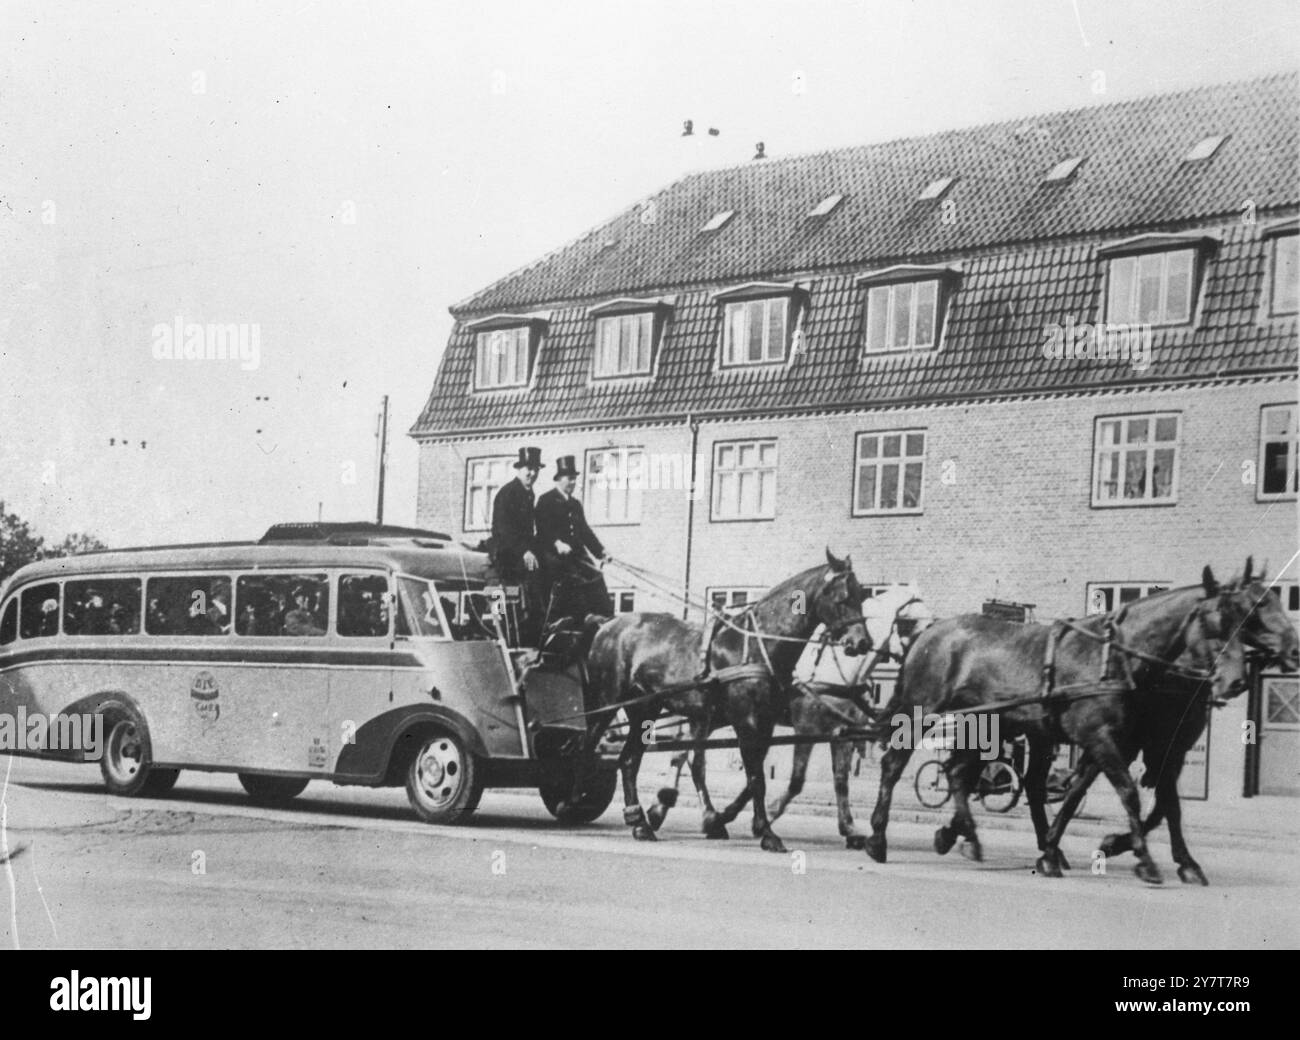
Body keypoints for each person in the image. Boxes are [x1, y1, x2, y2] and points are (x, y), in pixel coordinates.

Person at [535, 455, 613, 625]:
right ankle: (580, 617)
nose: (572, 482)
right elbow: (543, 529)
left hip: (575, 552)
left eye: (574, 479)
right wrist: (557, 543)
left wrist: (601, 552)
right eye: (569, 479)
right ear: (559, 479)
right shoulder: (546, 500)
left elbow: (584, 531)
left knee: (596, 574)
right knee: (572, 577)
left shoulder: (575, 504)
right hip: (552, 552)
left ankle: (606, 616)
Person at [491, 446, 545, 643]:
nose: (532, 473)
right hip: (505, 554)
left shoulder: (528, 494)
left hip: (520, 552)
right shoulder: (509, 493)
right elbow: (505, 529)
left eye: (535, 469)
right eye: (528, 469)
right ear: (519, 469)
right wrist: (524, 551)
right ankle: (520, 627)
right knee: (511, 593)